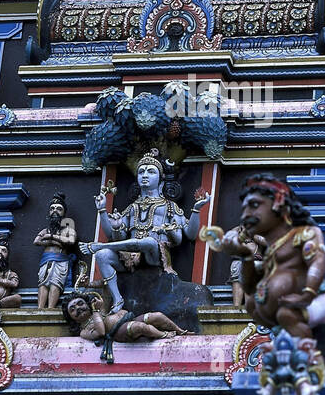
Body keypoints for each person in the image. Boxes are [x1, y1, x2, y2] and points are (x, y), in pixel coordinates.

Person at [203, 175, 325, 341]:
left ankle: (307, 351)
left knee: (287, 316)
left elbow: (317, 263)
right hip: (274, 305)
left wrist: (307, 293)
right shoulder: (266, 237)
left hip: (311, 299)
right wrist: (245, 255)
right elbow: (251, 283)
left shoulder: (305, 233)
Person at [80, 152, 210, 310]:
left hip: (155, 256)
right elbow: (114, 236)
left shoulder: (169, 206)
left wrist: (196, 210)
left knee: (148, 242)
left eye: (151, 171)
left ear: (161, 180)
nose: (145, 175)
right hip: (130, 258)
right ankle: (118, 298)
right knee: (102, 255)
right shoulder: (132, 207)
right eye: (141, 172)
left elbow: (190, 233)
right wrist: (105, 214)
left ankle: (99, 246)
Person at [62, 292, 186, 365]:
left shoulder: (100, 311)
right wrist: (95, 310)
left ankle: (179, 330)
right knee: (140, 327)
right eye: (72, 309)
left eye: (80, 303)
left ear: (86, 303)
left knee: (156, 316)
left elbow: (106, 290)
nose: (78, 308)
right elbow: (101, 331)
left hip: (127, 318)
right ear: (71, 318)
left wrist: (89, 285)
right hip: (117, 332)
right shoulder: (84, 331)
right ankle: (163, 335)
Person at [33, 194, 78, 309]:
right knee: (43, 283)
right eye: (52, 208)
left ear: (64, 213)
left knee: (55, 283)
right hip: (46, 259)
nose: (55, 211)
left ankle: (50, 309)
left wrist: (51, 237)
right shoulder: (45, 230)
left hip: (60, 260)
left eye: (59, 209)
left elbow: (71, 241)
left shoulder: (68, 229)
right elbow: (36, 241)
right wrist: (52, 241)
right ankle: (40, 309)